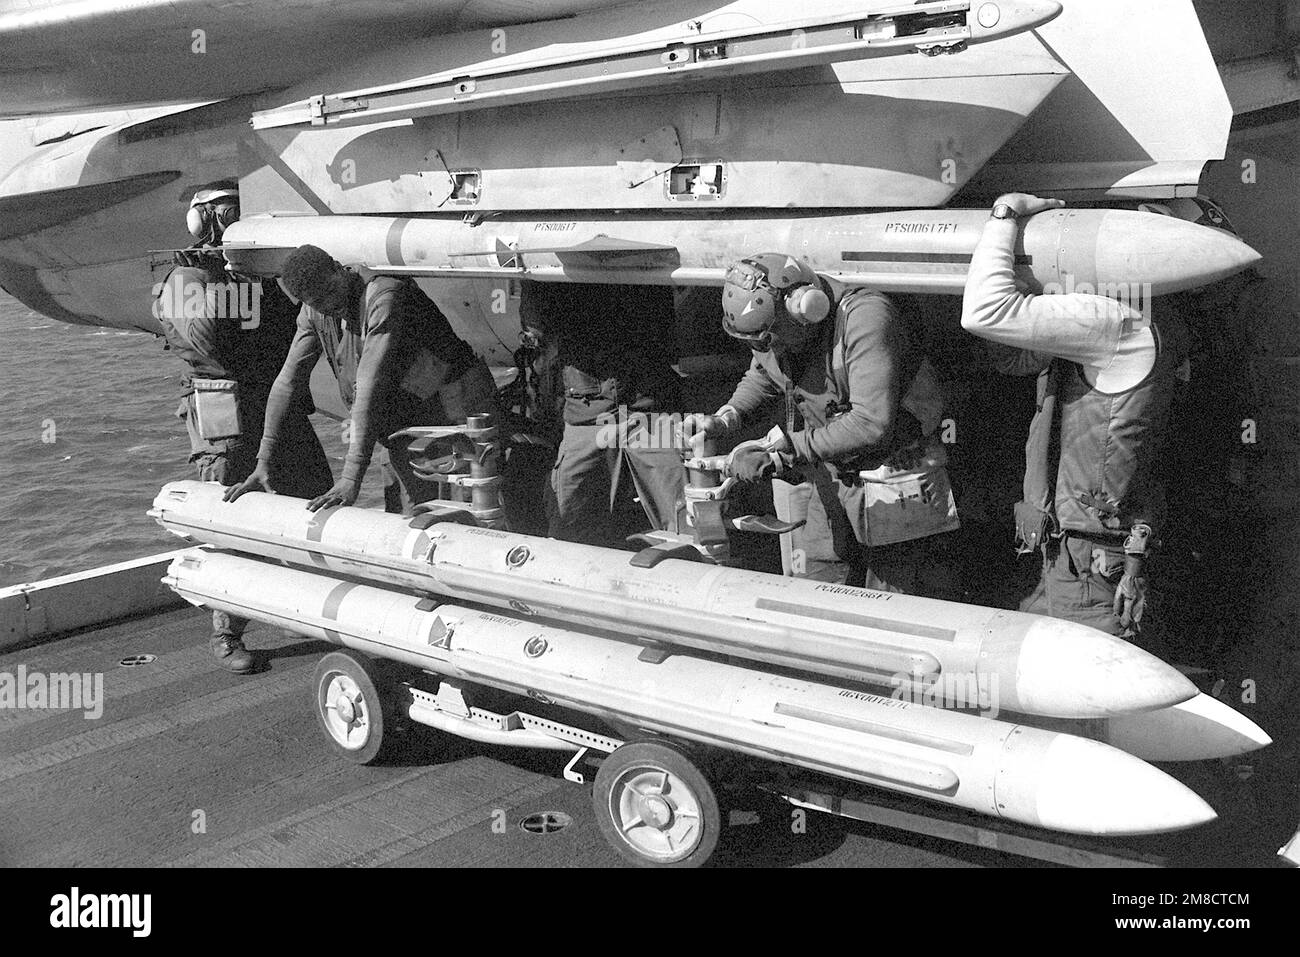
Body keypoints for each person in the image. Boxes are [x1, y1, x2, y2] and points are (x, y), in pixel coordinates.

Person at [960, 192, 1190, 645]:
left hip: (1088, 568)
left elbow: (984, 312)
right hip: (1067, 553)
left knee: (1081, 678)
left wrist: (1005, 213)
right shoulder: (1146, 317)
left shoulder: (1118, 322)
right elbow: (1014, 360)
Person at [685, 253, 958, 592]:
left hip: (895, 479)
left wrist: (785, 452)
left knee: (892, 601)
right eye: (755, 342)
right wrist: (727, 416)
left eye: (766, 339)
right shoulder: (778, 330)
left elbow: (870, 424)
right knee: (816, 586)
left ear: (807, 308)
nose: (763, 348)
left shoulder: (865, 319)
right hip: (831, 474)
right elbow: (764, 374)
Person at [155, 186, 332, 673]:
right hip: (225, 412)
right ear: (206, 222)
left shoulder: (258, 278)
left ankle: (304, 605)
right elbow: (209, 343)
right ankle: (226, 632)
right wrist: (226, 280)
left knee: (312, 497)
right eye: (228, 214)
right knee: (231, 520)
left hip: (276, 403)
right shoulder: (186, 280)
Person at [224, 245, 497, 515]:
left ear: (338, 268)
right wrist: (263, 463)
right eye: (318, 302)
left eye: (331, 291)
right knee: (405, 510)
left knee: (463, 511)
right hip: (402, 425)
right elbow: (287, 383)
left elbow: (369, 387)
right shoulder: (313, 311)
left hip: (453, 415)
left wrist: (350, 479)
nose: (329, 304)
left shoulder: (384, 296)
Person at [518, 280, 685, 547]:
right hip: (593, 407)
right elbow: (538, 324)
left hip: (645, 402)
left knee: (683, 515)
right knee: (567, 516)